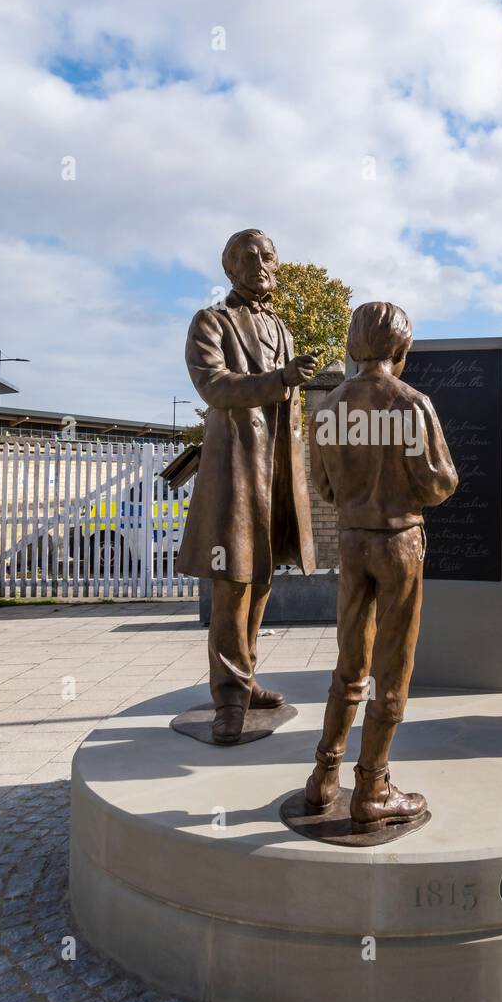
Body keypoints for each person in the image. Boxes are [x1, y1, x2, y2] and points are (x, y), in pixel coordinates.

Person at [305, 301, 458, 832]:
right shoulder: (412, 404)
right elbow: (440, 483)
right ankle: (373, 785)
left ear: (352, 345)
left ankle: (324, 777)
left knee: (350, 662)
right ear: (402, 348)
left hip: (351, 541)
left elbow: (324, 487)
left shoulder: (327, 408)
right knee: (392, 665)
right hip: (399, 541)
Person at [176, 229, 317, 743]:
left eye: (267, 256)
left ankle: (246, 676)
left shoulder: (281, 325)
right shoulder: (210, 321)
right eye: (247, 258)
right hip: (235, 469)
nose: (260, 264)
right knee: (231, 582)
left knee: (260, 580)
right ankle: (229, 696)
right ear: (230, 269)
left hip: (276, 472)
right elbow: (213, 385)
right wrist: (280, 378)